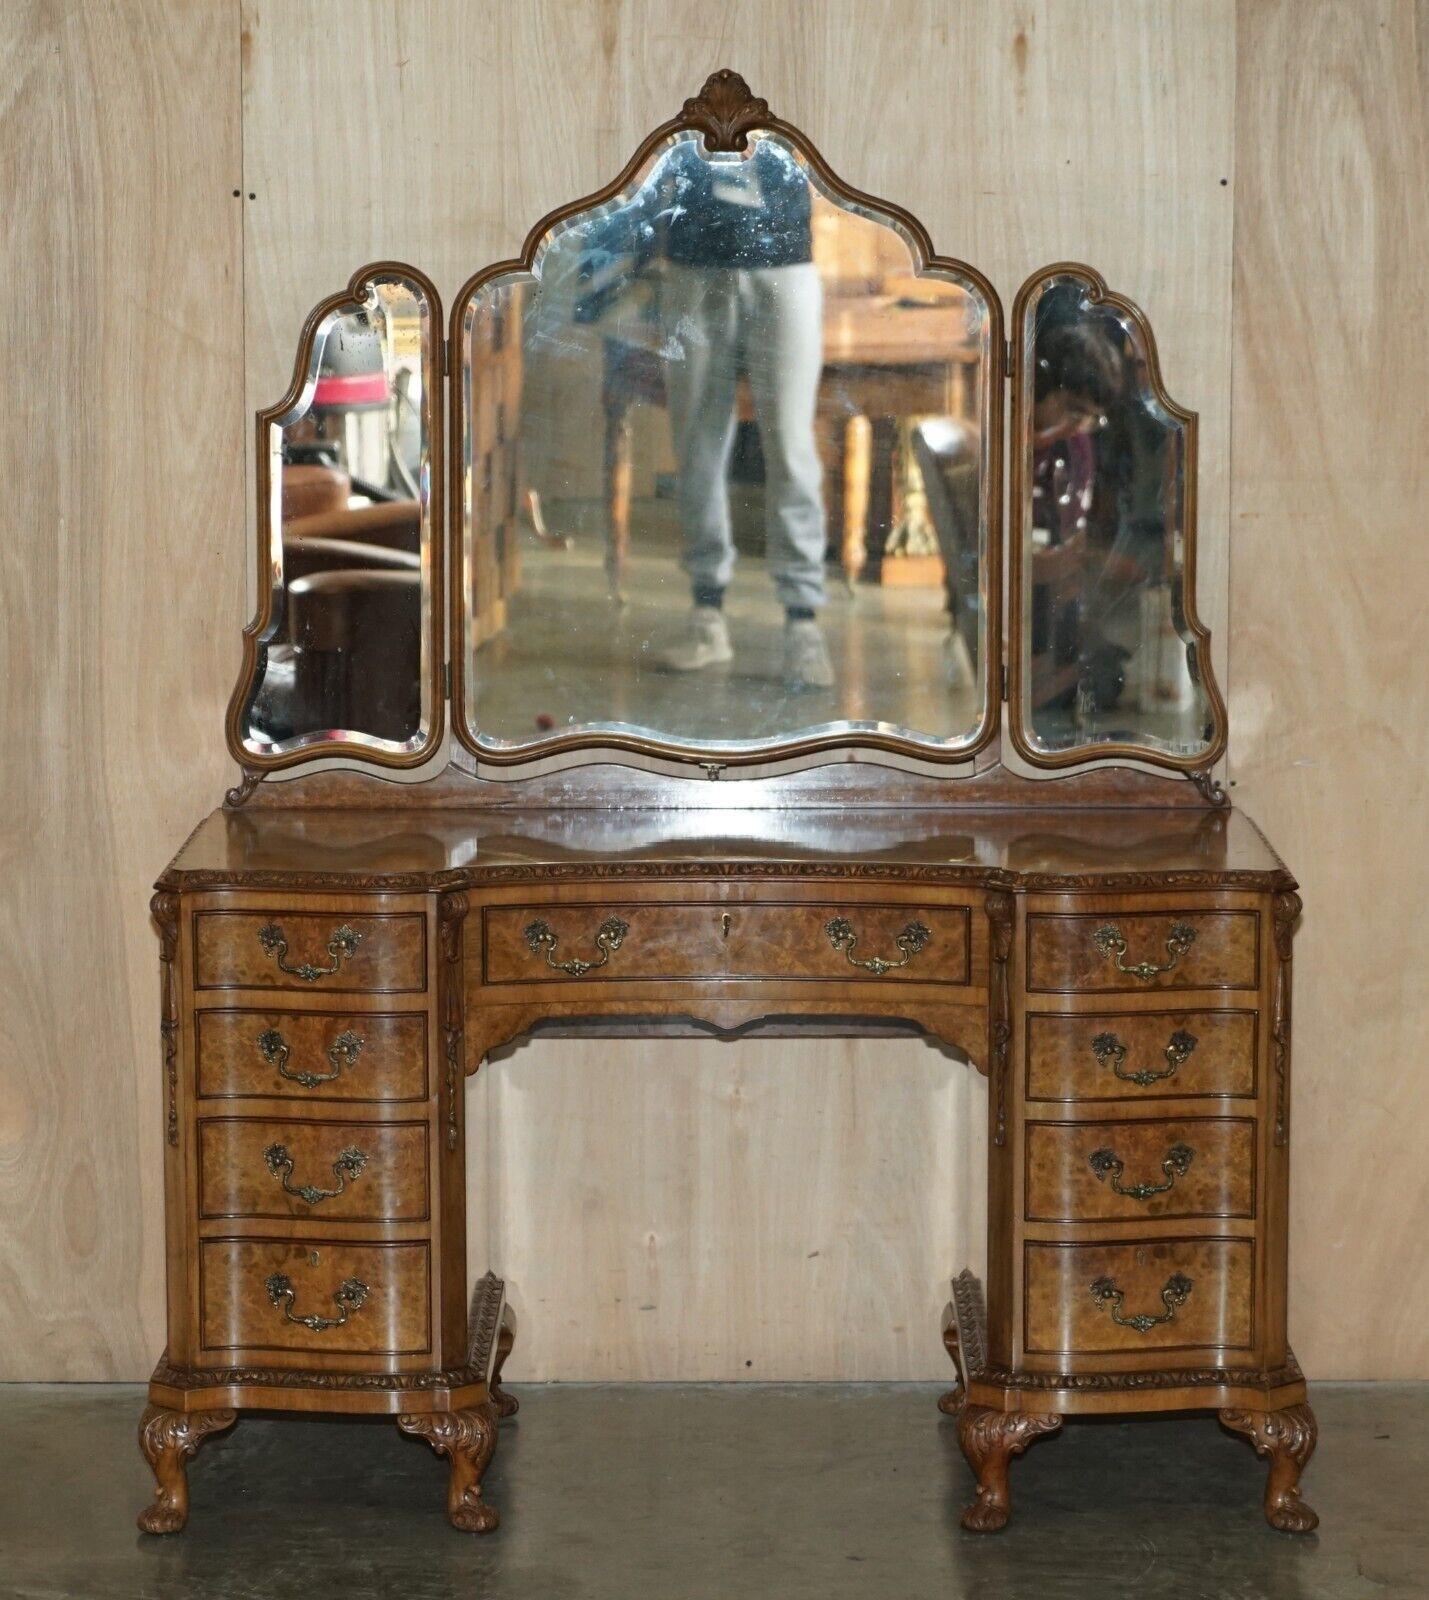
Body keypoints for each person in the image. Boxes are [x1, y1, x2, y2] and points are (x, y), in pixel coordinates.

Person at [583, 138, 833, 688]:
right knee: (696, 447)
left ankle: (802, 625)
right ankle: (707, 616)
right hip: (694, 268)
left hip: (785, 263)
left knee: (791, 446)